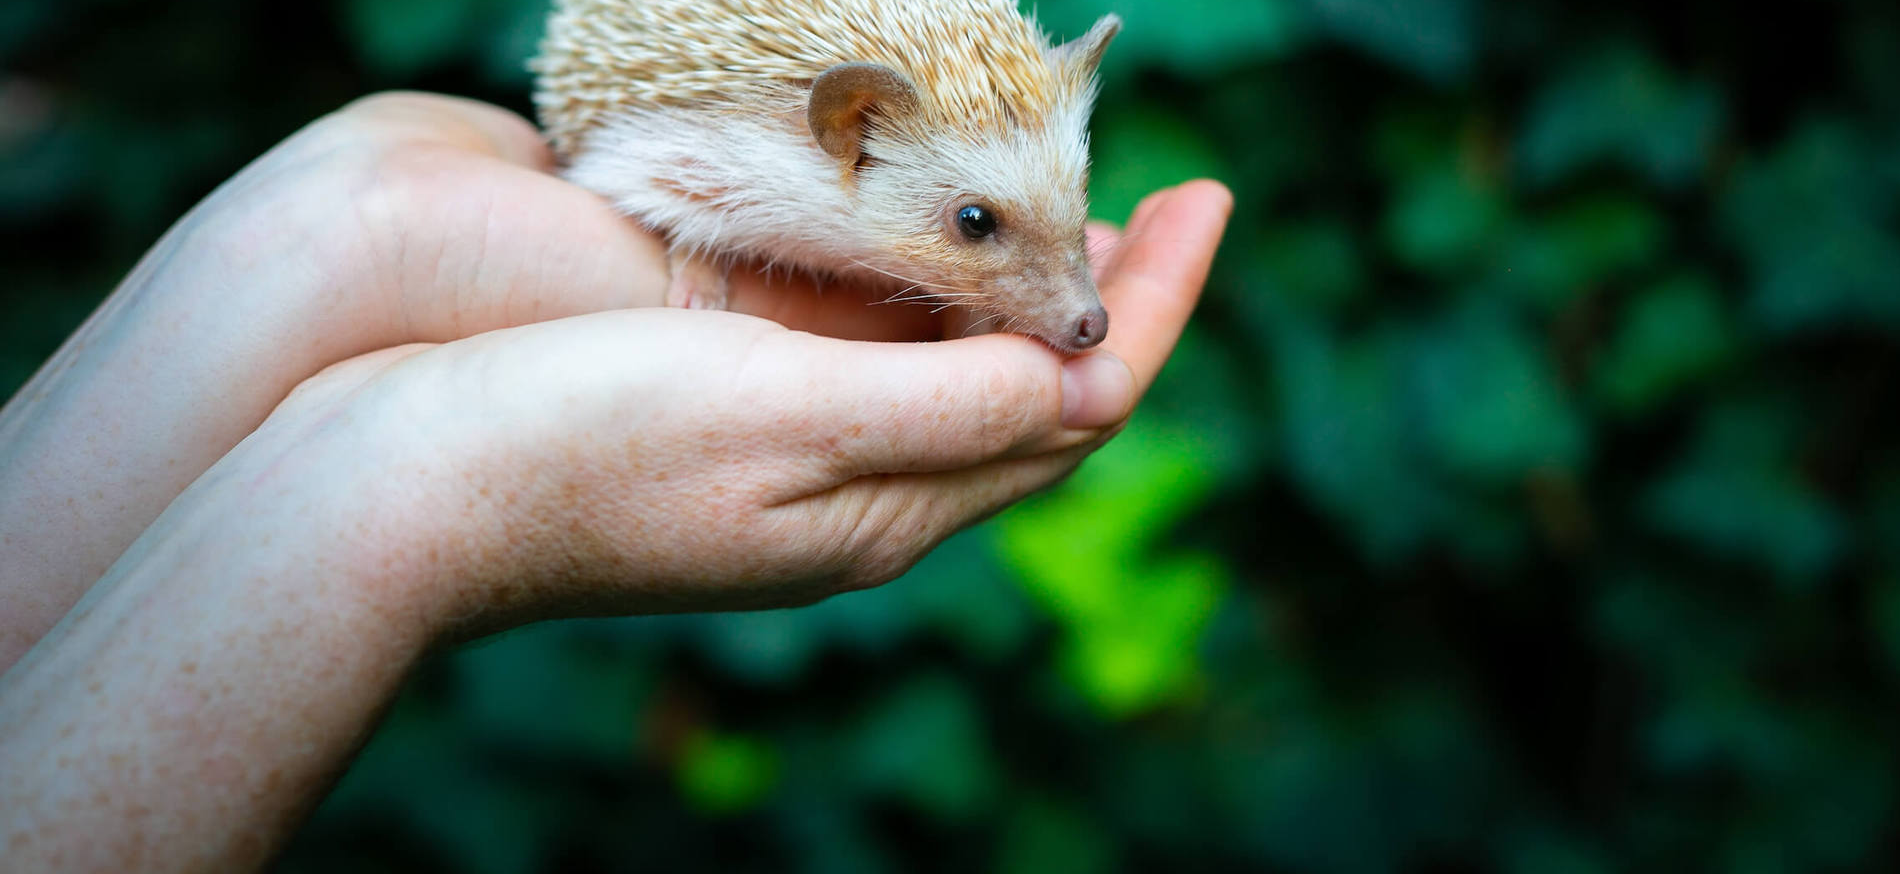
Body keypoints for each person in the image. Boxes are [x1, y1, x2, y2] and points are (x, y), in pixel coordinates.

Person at [0, 91, 1231, 870]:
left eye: (1061, 234)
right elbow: (661, 178)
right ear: (851, 133)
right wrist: (423, 477)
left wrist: (333, 242)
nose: (1074, 304)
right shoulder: (744, 158)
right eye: (977, 226)